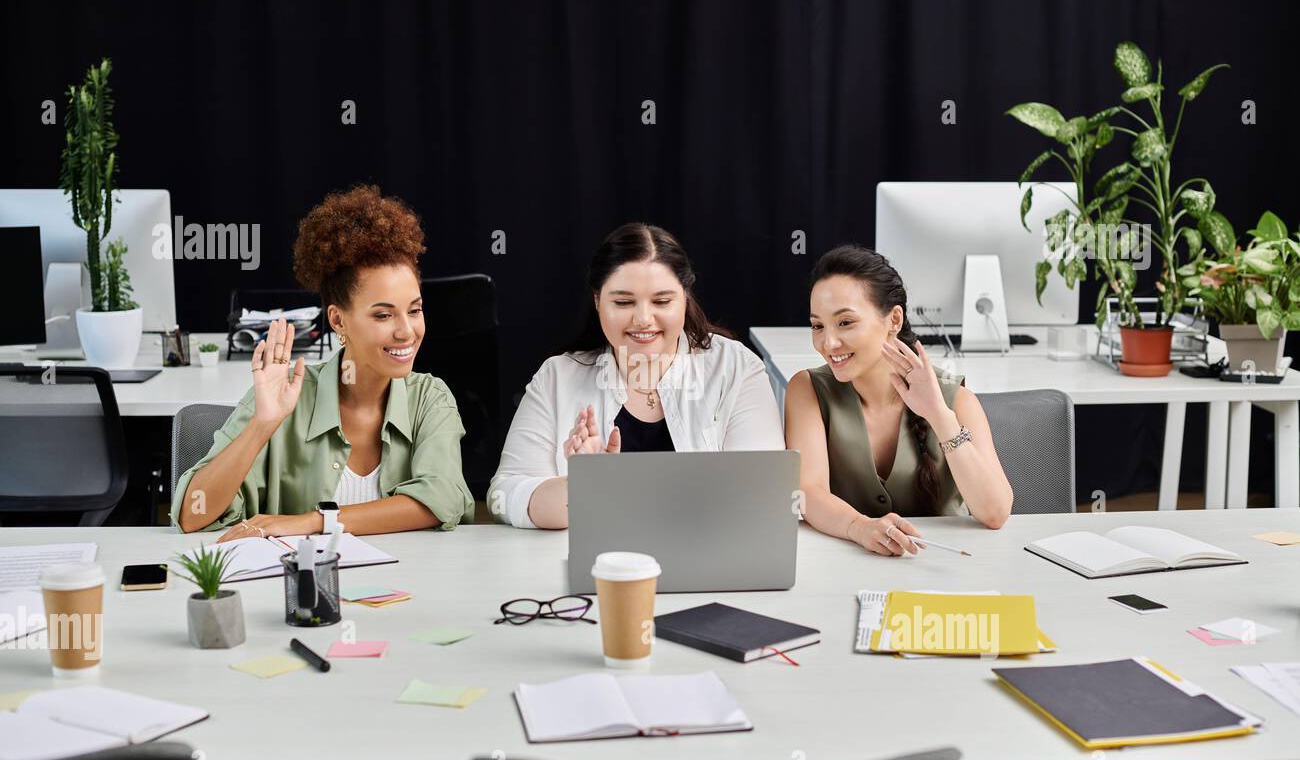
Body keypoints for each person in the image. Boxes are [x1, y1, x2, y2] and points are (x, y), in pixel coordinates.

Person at [171, 184, 475, 539]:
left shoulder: (429, 398)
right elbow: (194, 514)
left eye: (414, 310)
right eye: (383, 316)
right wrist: (262, 426)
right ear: (337, 320)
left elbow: (440, 499)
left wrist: (313, 522)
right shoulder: (284, 396)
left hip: (401, 590)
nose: (406, 331)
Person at [489, 222, 783, 529]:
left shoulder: (736, 369)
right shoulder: (557, 377)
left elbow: (759, 497)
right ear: (597, 301)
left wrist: (613, 497)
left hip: (711, 565)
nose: (643, 319)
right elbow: (503, 496)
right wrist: (585, 486)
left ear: (685, 298)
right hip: (598, 569)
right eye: (623, 302)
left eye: (662, 301)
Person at [784, 245, 1012, 556]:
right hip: (847, 568)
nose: (828, 342)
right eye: (818, 326)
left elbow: (994, 512)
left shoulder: (956, 400)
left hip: (946, 574)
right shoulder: (807, 389)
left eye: (845, 322)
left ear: (894, 320)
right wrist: (859, 527)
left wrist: (938, 414)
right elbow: (808, 492)